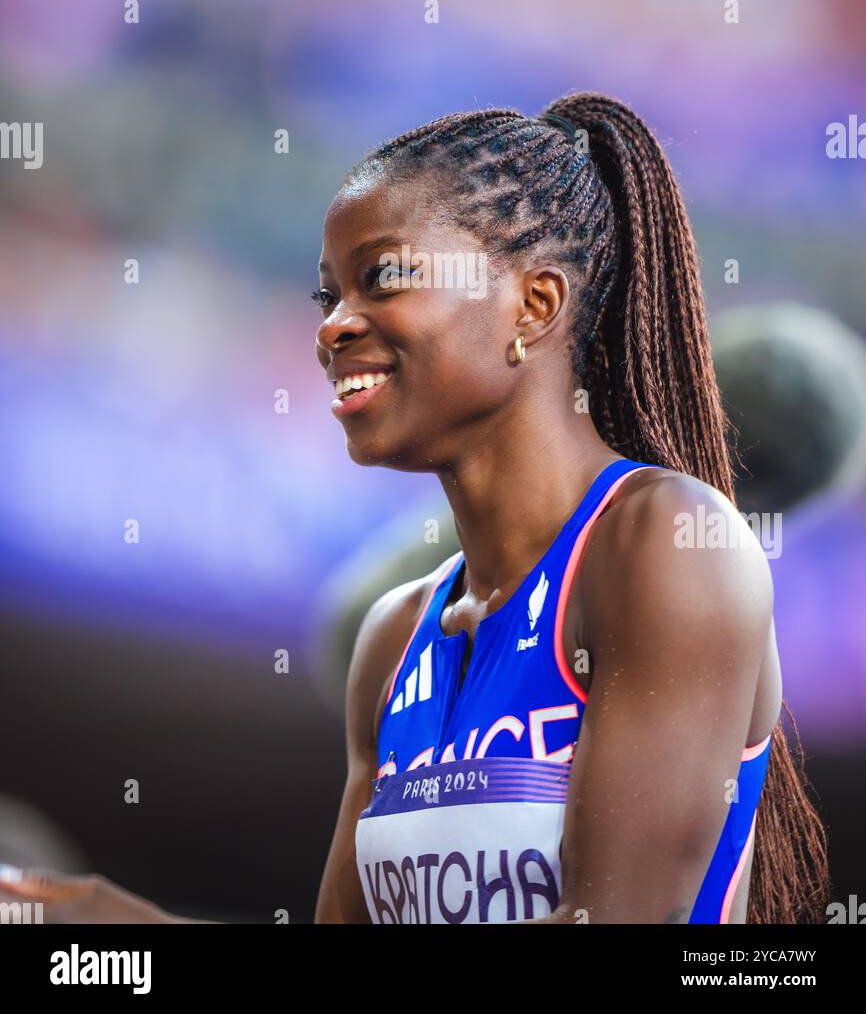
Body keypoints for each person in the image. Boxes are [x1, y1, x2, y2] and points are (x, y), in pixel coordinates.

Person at [0, 94, 829, 925]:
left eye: (382, 277)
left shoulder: (666, 546)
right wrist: (105, 932)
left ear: (533, 306)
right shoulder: (395, 639)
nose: (332, 328)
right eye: (327, 295)